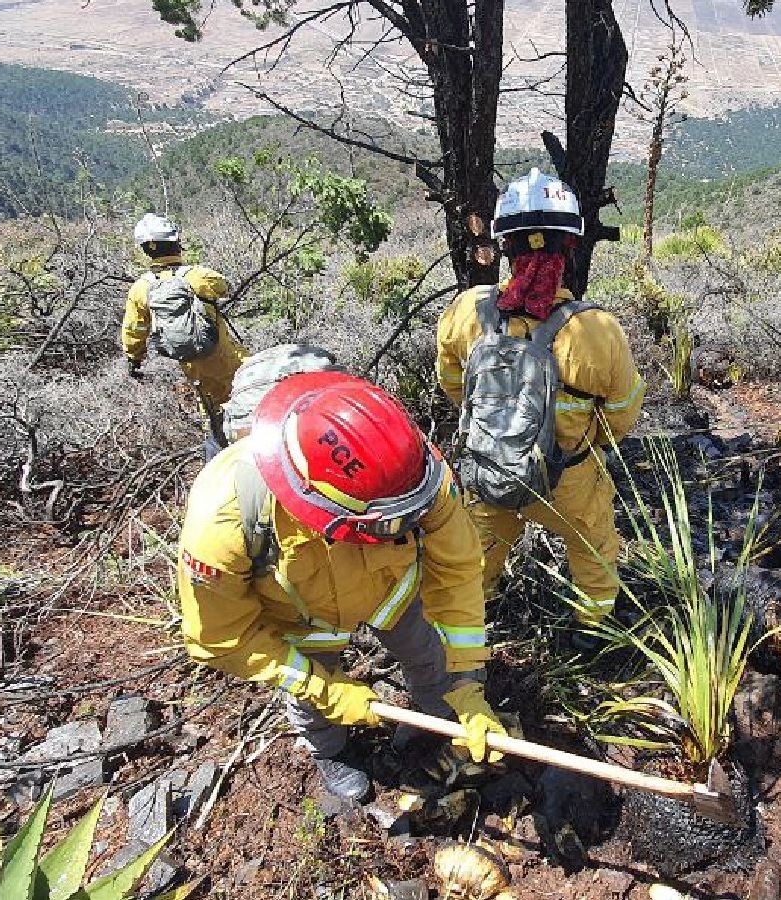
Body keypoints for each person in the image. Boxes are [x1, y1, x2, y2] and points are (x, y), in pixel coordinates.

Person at [176, 371, 504, 800]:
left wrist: (466, 681)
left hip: (393, 590)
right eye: (388, 524)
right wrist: (322, 688)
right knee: (310, 692)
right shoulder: (223, 523)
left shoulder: (415, 473)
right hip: (301, 617)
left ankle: (440, 715)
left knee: (431, 656)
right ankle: (329, 749)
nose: (405, 525)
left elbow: (458, 571)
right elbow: (221, 637)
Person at [436, 169, 645, 635]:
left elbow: (453, 383)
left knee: (479, 552)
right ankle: (591, 632)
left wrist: (496, 428)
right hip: (565, 479)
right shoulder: (598, 330)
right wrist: (580, 443)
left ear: (505, 246)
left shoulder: (467, 311)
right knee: (594, 549)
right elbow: (621, 414)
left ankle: (466, 634)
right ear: (569, 247)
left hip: (488, 468)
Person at [122, 213, 248, 458]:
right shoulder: (199, 276)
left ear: (146, 251)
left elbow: (133, 330)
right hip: (228, 358)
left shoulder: (141, 288)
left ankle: (219, 463)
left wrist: (134, 358)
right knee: (250, 398)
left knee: (214, 417)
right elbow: (224, 287)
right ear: (177, 244)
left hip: (193, 366)